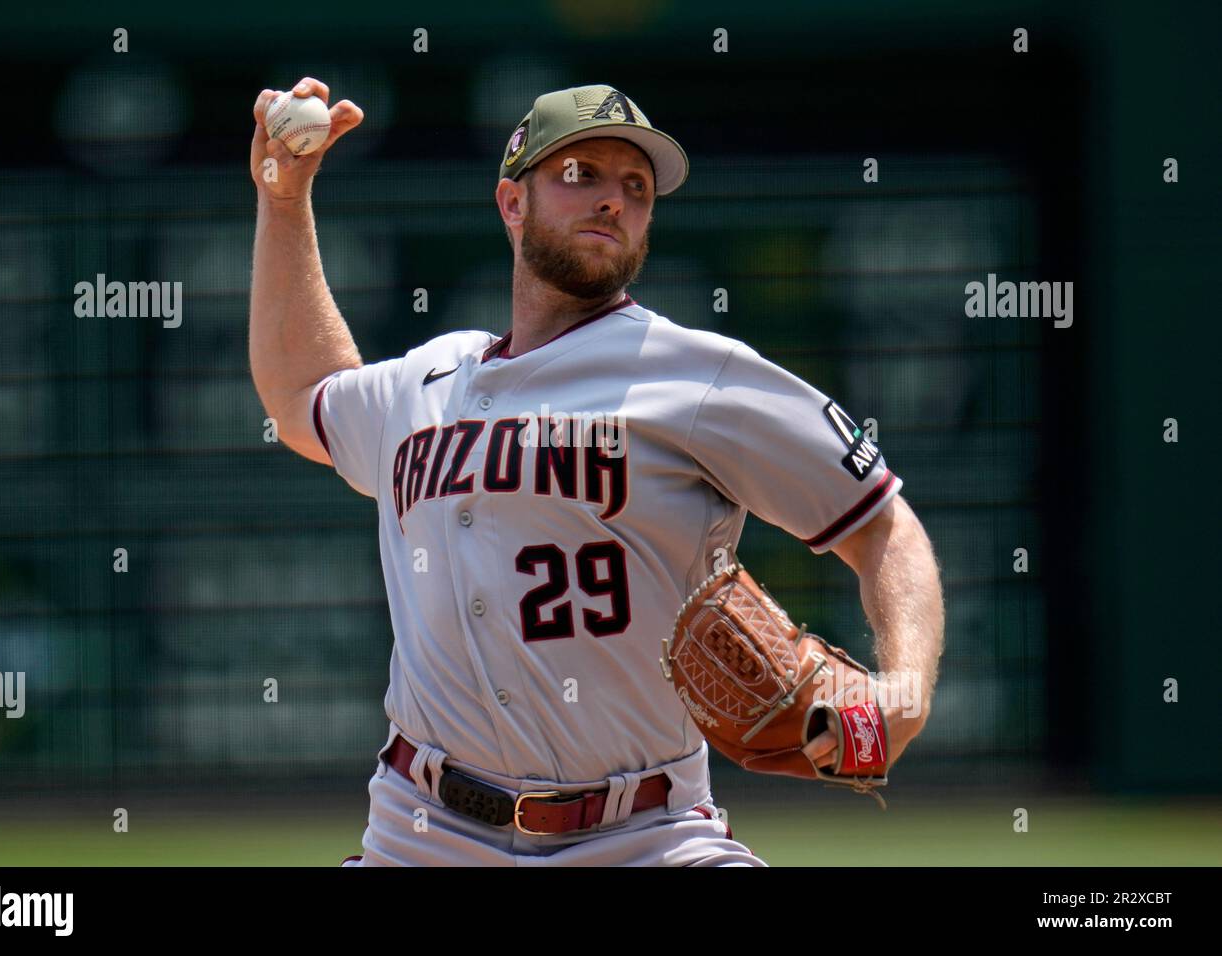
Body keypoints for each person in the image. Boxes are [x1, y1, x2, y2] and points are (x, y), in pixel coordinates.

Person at [248, 81, 945, 866]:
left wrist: (904, 690)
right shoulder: (426, 381)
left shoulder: (694, 375)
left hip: (647, 835)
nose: (613, 199)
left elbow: (883, 522)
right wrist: (283, 202)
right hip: (422, 832)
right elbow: (302, 395)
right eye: (580, 174)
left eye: (636, 187)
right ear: (512, 204)